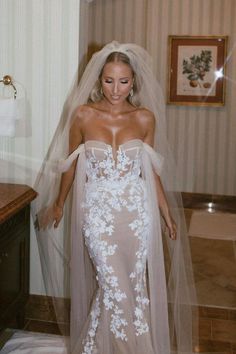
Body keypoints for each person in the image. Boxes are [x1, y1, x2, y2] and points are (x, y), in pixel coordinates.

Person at [33, 42, 198, 354]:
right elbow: (70, 166)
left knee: (131, 288)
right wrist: (59, 204)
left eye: (123, 81)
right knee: (113, 285)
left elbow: (151, 173)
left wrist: (165, 213)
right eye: (109, 80)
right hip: (97, 216)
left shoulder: (145, 118)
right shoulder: (82, 115)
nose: (115, 89)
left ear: (133, 81)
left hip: (137, 215)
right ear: (99, 80)